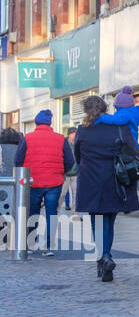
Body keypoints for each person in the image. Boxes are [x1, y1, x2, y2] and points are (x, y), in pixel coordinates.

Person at [74, 95, 139, 282]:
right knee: (109, 221)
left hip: (91, 181)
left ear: (86, 110)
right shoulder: (119, 127)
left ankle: (103, 257)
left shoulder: (83, 130)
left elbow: (77, 156)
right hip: (114, 180)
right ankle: (105, 257)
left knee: (97, 222)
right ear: (105, 107)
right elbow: (134, 151)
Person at [15, 110, 74, 256]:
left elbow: (18, 159)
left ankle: (30, 244)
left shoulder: (27, 138)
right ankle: (48, 246)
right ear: (50, 123)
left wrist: (23, 174)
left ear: (36, 122)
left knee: (32, 212)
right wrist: (61, 172)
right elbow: (70, 160)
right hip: (54, 182)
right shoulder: (60, 139)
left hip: (32, 181)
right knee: (51, 213)